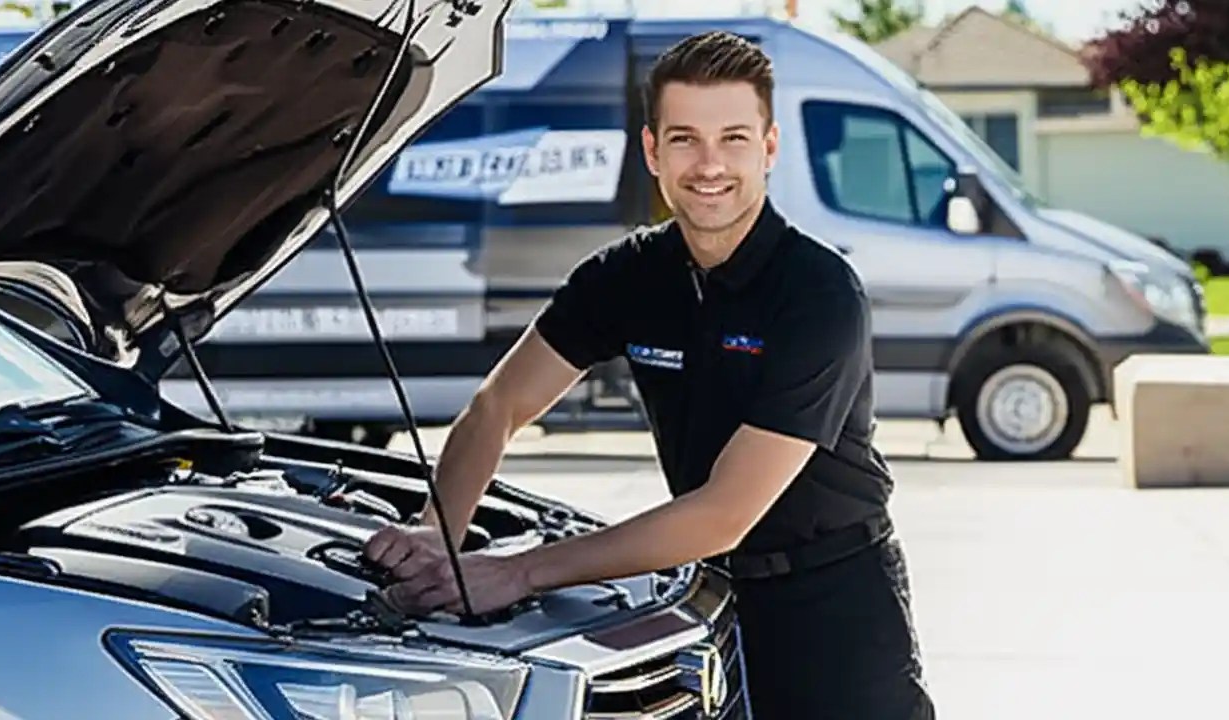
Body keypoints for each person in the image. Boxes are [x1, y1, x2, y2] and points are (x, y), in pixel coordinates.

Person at [363, 30, 936, 719]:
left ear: (770, 148)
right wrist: (440, 532)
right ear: (652, 151)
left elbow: (726, 512)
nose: (709, 165)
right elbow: (498, 407)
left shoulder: (818, 294)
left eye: (733, 139)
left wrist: (517, 571)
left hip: (833, 606)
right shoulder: (627, 276)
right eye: (686, 139)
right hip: (703, 600)